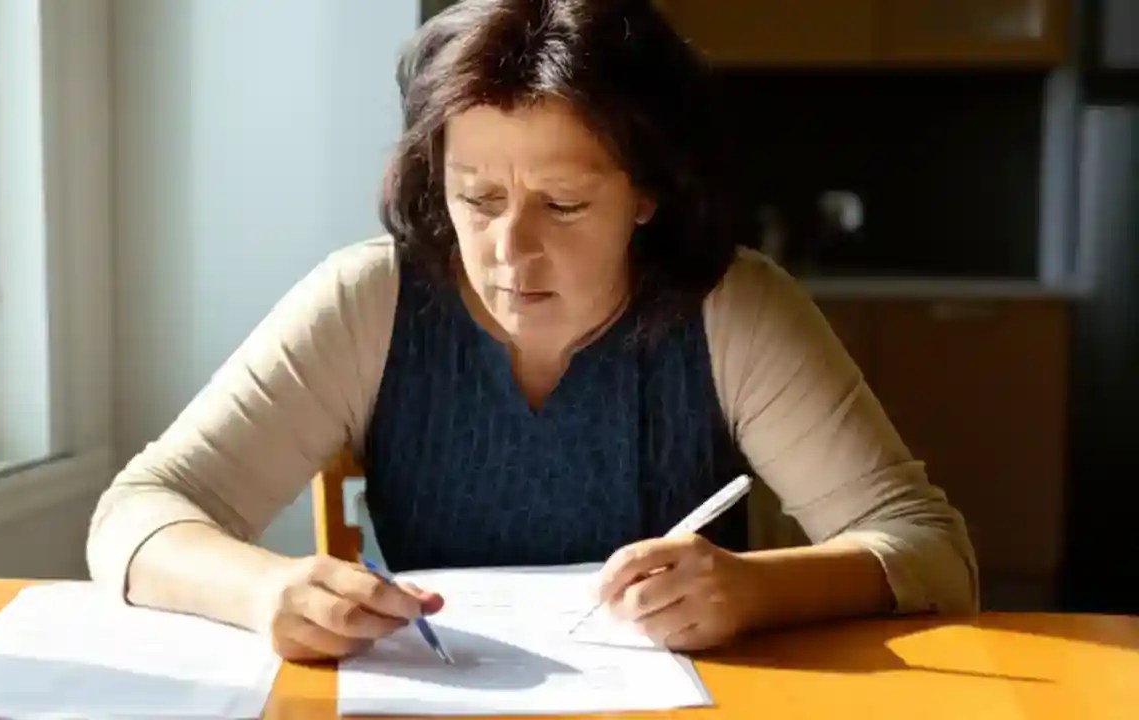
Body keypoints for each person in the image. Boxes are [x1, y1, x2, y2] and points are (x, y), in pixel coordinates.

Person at [86, 0, 978, 662]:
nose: (510, 251)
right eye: (476, 199)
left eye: (563, 203)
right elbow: (137, 515)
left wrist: (757, 591)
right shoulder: (370, 302)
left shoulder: (732, 307)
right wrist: (265, 589)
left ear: (647, 193)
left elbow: (933, 554)